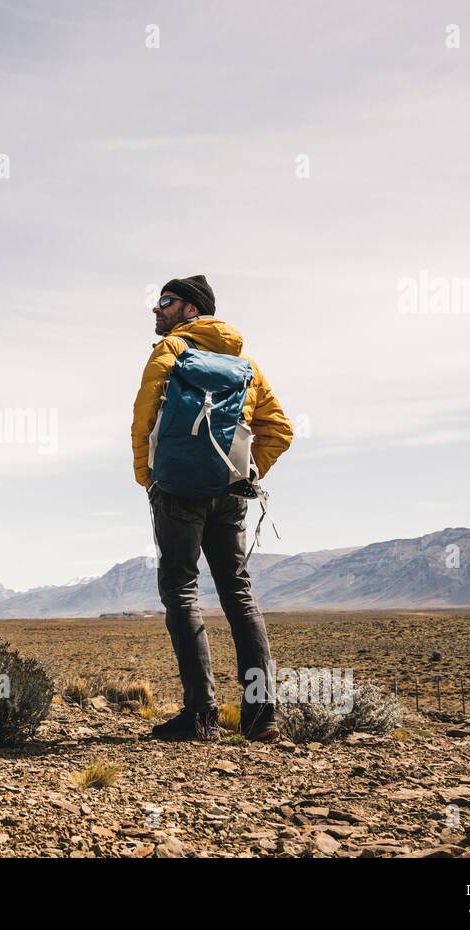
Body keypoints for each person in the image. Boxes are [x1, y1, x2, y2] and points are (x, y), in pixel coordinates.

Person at [131, 275, 293, 741]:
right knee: (239, 595)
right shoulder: (245, 363)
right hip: (229, 495)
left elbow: (144, 416)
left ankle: (200, 716)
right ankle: (261, 718)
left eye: (166, 302)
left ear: (190, 309)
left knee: (182, 592)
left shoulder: (170, 353)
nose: (156, 310)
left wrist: (148, 476)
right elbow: (280, 430)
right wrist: (244, 474)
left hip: (177, 489)